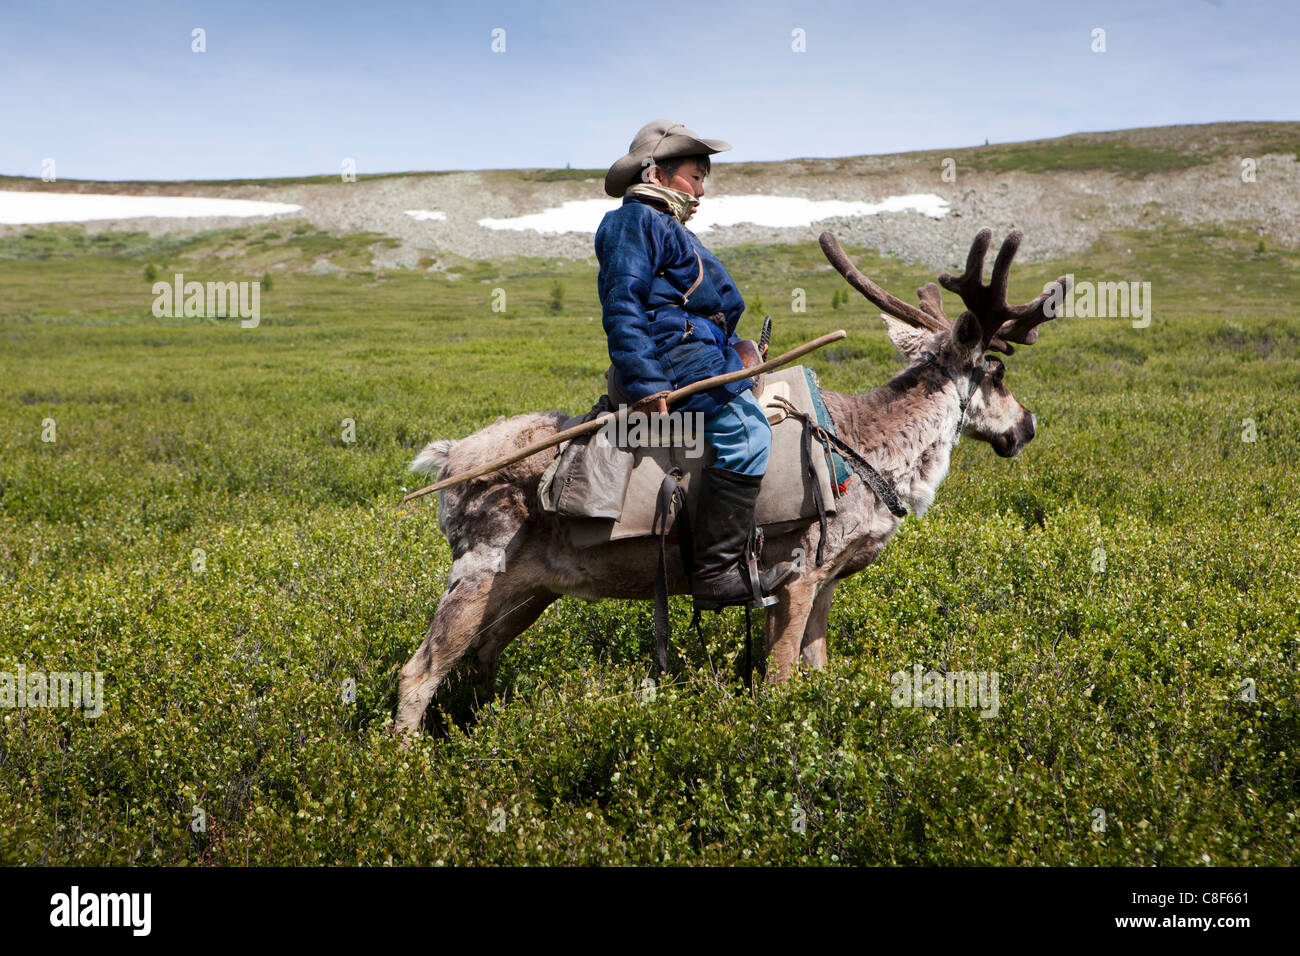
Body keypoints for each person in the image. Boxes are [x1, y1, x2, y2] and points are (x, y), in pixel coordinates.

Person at [596, 119, 793, 610]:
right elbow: (623, 304)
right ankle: (715, 574)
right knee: (748, 435)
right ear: (656, 173)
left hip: (696, 354)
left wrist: (739, 351)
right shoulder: (633, 222)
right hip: (673, 359)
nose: (701, 190)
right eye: (694, 176)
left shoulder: (669, 226)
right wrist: (646, 384)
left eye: (705, 179)